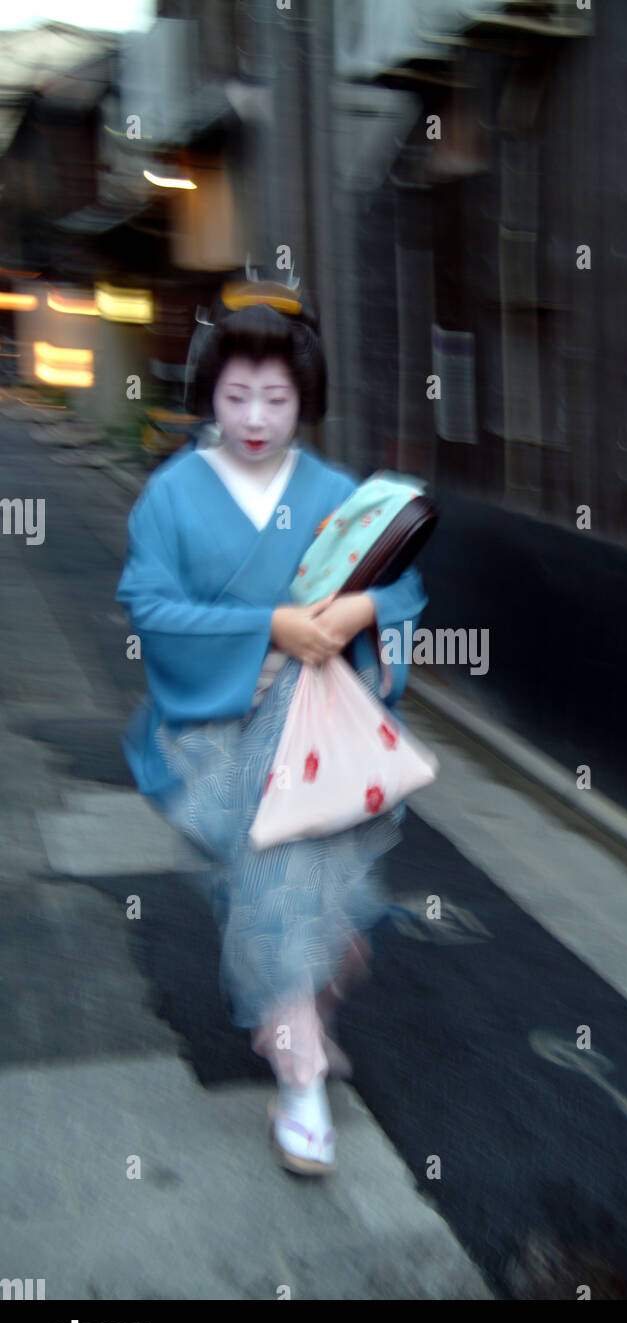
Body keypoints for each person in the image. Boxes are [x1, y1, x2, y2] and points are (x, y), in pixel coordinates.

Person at [116, 302, 427, 1175]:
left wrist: (363, 607)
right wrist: (273, 627)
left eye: (277, 401)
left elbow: (403, 591)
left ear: (304, 403)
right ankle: (299, 1077)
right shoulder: (172, 494)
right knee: (278, 871)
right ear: (210, 392)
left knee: (306, 900)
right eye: (238, 396)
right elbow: (150, 607)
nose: (254, 420)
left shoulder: (334, 493)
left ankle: (298, 1022)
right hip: (206, 731)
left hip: (316, 731)